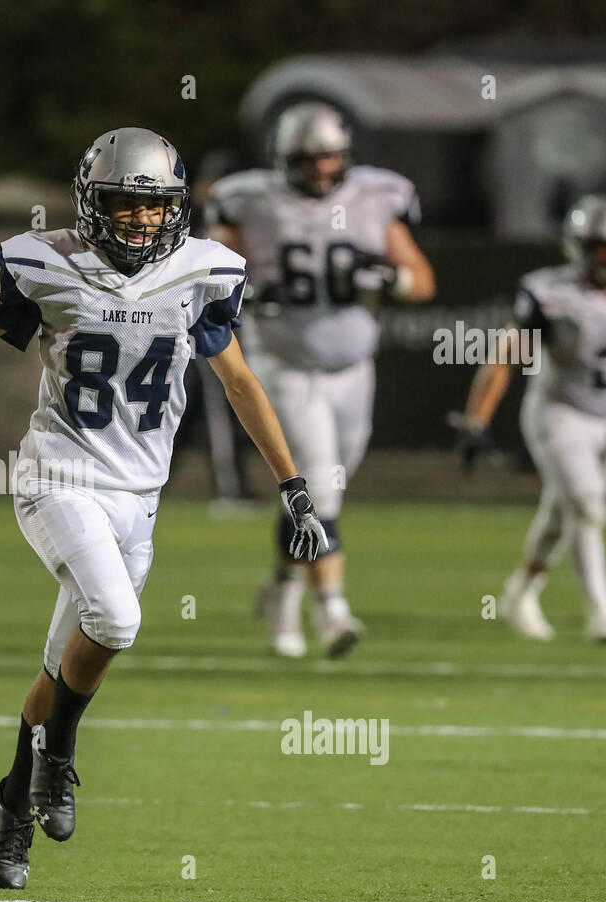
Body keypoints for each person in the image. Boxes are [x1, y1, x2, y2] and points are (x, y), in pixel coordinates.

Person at [0, 127, 328, 888]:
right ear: (90, 202)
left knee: (62, 663)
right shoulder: (45, 263)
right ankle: (60, 759)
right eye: (123, 205)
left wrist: (293, 484)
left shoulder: (203, 272)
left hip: (139, 498)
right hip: (57, 477)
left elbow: (240, 383)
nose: (142, 223)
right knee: (114, 620)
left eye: (155, 209)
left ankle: (11, 801)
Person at [208, 102, 435, 658]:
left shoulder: (377, 195)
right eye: (308, 160)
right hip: (283, 362)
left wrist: (384, 274)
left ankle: (283, 589)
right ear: (283, 159)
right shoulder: (250, 199)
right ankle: (331, 609)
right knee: (320, 487)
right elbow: (209, 275)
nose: (320, 170)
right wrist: (254, 293)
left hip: (353, 369)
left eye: (329, 158)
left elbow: (423, 282)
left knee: (317, 491)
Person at [456, 194, 606, 643]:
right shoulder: (551, 293)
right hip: (557, 412)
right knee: (587, 505)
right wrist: (476, 420)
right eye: (603, 245)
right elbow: (506, 358)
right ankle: (602, 612)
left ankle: (521, 590)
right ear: (579, 247)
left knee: (564, 514)